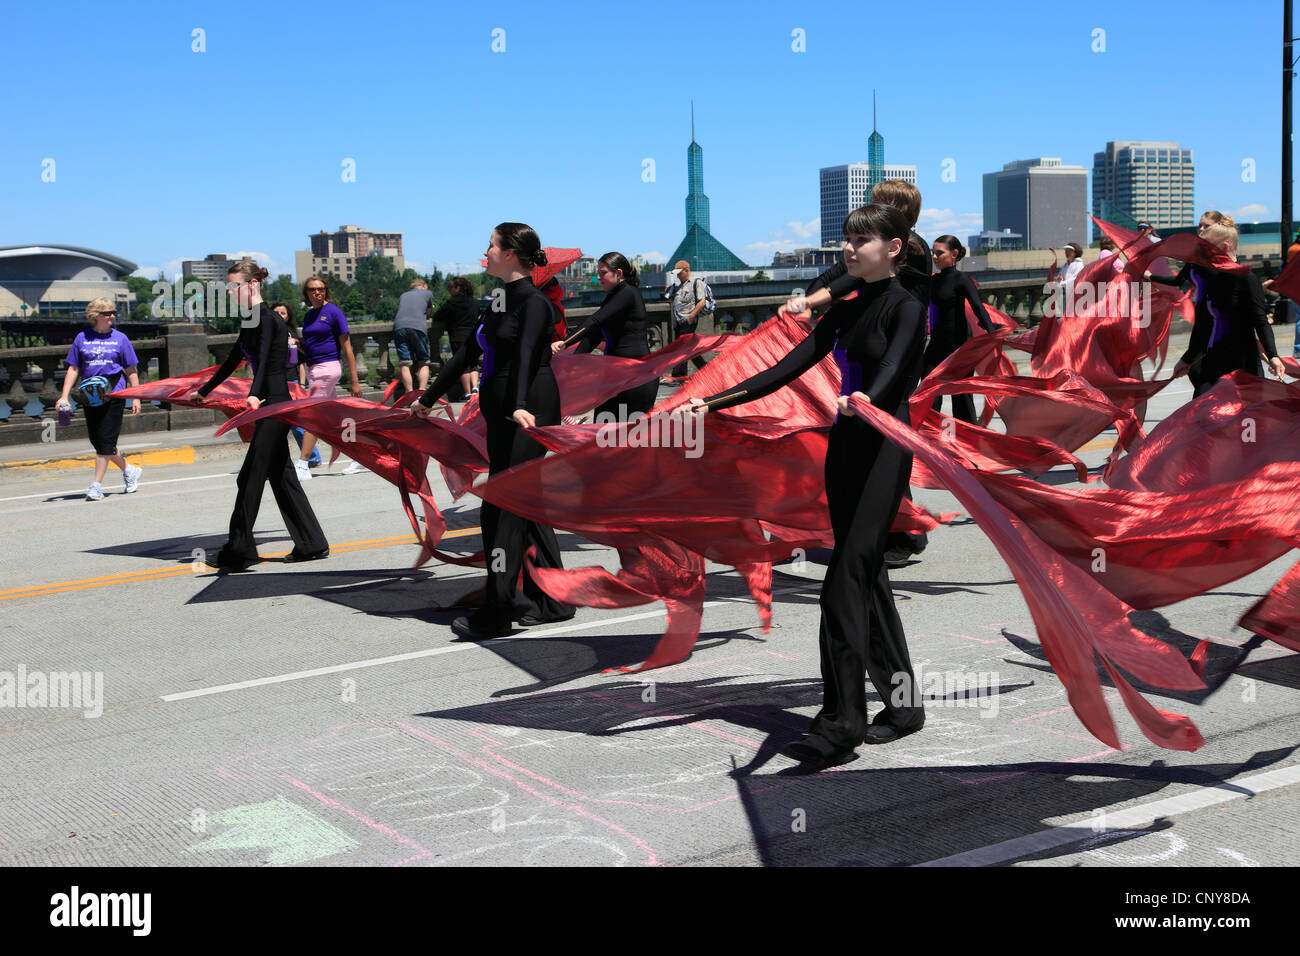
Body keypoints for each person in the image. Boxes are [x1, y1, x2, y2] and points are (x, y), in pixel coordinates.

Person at [688, 204, 928, 766]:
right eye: (846, 240)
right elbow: (787, 367)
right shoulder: (849, 307)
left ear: (893, 248)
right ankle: (904, 703)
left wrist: (869, 398)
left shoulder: (906, 305)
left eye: (861, 240)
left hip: (884, 448)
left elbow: (897, 368)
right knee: (866, 580)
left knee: (842, 581)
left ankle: (840, 723)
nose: (848, 249)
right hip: (844, 448)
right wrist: (714, 400)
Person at [411, 223, 573, 639]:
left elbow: (523, 358)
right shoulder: (498, 298)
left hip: (529, 407)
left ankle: (499, 609)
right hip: (502, 407)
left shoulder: (534, 302)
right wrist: (428, 397)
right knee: (523, 502)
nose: (485, 250)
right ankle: (553, 598)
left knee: (503, 505)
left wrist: (519, 405)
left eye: (492, 245)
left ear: (512, 253)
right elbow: (468, 351)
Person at [790, 179, 931, 568]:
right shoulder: (872, 247)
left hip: (899, 351)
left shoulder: (913, 248)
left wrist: (818, 298)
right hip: (876, 344)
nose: (871, 210)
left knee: (887, 437)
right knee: (868, 439)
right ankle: (895, 528)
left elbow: (851, 277)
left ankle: (900, 531)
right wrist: (810, 294)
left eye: (879, 204)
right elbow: (840, 270)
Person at [186, 260, 329, 571]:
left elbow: (263, 360)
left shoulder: (265, 319)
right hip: (268, 400)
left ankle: (239, 551)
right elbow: (235, 357)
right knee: (281, 476)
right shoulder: (251, 318)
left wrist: (254, 392)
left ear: (251, 285)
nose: (229, 291)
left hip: (274, 403)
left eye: (234, 285)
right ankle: (312, 543)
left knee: (249, 477)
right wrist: (206, 390)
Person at [1171, 222, 1285, 395]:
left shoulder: (1247, 278)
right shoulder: (1209, 278)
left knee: (1244, 418)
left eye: (1206, 248)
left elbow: (1260, 321)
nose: (1201, 253)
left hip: (1244, 364)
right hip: (1214, 361)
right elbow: (1203, 325)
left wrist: (1273, 356)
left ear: (1225, 247)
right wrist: (1186, 360)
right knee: (1200, 414)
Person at [552, 252, 658, 418]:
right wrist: (570, 364)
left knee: (629, 437)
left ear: (619, 273)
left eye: (603, 273)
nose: (598, 277)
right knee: (603, 433)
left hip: (636, 377)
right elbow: (593, 335)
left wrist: (564, 342)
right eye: (598, 273)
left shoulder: (628, 293)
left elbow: (595, 321)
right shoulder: (613, 296)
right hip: (615, 376)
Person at [56, 298, 143, 500]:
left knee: (105, 440)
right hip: (90, 396)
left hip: (114, 394)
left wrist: (136, 397)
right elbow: (74, 368)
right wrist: (64, 396)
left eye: (113, 312)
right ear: (95, 316)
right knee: (99, 441)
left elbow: (131, 370)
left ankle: (96, 486)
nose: (112, 316)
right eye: (107, 313)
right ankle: (129, 470)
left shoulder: (121, 339)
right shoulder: (82, 338)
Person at [1148, 210, 1238, 392]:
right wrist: (1151, 277)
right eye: (1200, 225)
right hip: (1203, 317)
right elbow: (1177, 281)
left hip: (1219, 322)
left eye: (1207, 225)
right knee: (1198, 371)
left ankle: (1210, 410)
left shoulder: (1224, 261)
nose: (1201, 229)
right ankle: (1215, 409)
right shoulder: (1196, 258)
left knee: (1203, 371)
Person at [296, 275, 365, 479]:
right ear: (306, 293)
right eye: (313, 289)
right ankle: (359, 455)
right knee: (335, 418)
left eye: (321, 289)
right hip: (313, 368)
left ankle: (302, 464)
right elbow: (312, 344)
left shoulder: (334, 313)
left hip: (328, 368)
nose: (317, 292)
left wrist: (355, 380)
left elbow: (347, 347)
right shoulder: (310, 315)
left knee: (313, 415)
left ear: (326, 290)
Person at [924, 235, 996, 425]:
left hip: (959, 347)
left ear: (954, 254)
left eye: (939, 253)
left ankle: (967, 439)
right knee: (929, 393)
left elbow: (978, 307)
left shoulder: (961, 279)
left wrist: (992, 334)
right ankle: (930, 436)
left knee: (961, 398)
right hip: (936, 345)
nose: (934, 257)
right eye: (933, 253)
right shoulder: (933, 280)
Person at [271, 301, 321, 469]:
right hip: (274, 382)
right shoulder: (267, 334)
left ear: (288, 316)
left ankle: (312, 457)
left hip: (291, 382)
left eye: (283, 313)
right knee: (273, 424)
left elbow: (301, 362)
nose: (279, 316)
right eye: (276, 312)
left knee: (296, 423)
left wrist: (301, 384)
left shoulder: (291, 334)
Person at [432, 276, 482, 401]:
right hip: (473, 336)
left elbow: (437, 316)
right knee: (473, 363)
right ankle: (475, 388)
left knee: (462, 365)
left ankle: (467, 393)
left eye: (451, 287)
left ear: (457, 288)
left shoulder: (451, 303)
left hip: (457, 337)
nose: (449, 290)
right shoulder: (474, 302)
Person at [667, 260, 712, 379]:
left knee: (684, 348)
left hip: (688, 320)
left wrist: (692, 316)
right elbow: (674, 301)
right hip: (679, 321)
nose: (677, 275)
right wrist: (669, 293)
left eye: (679, 273)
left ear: (686, 270)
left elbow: (701, 302)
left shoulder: (696, 283)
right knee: (685, 348)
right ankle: (704, 370)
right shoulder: (679, 286)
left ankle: (679, 374)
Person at [392, 279, 434, 399]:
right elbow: (428, 313)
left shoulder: (403, 295)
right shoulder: (428, 293)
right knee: (424, 361)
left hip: (399, 327)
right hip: (418, 327)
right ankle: (421, 393)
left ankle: (409, 393)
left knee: (405, 362)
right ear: (424, 286)